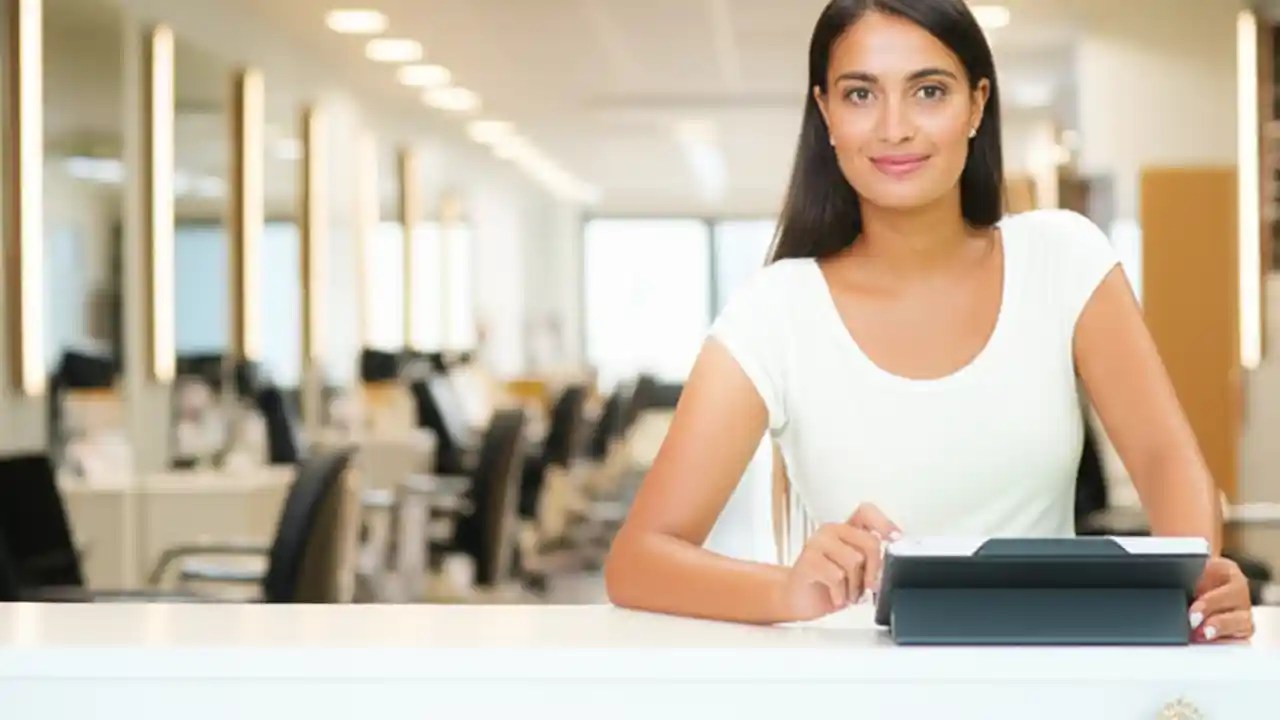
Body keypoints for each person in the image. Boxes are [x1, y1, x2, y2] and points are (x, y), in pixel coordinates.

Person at [604, 0, 1254, 642]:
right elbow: (640, 559)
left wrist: (1192, 574)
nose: (894, 128)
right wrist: (784, 590)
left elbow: (1164, 457)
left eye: (928, 91)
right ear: (826, 113)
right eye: (861, 95)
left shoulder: (1062, 256)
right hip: (869, 692)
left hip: (1050, 674)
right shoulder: (777, 310)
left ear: (975, 105)